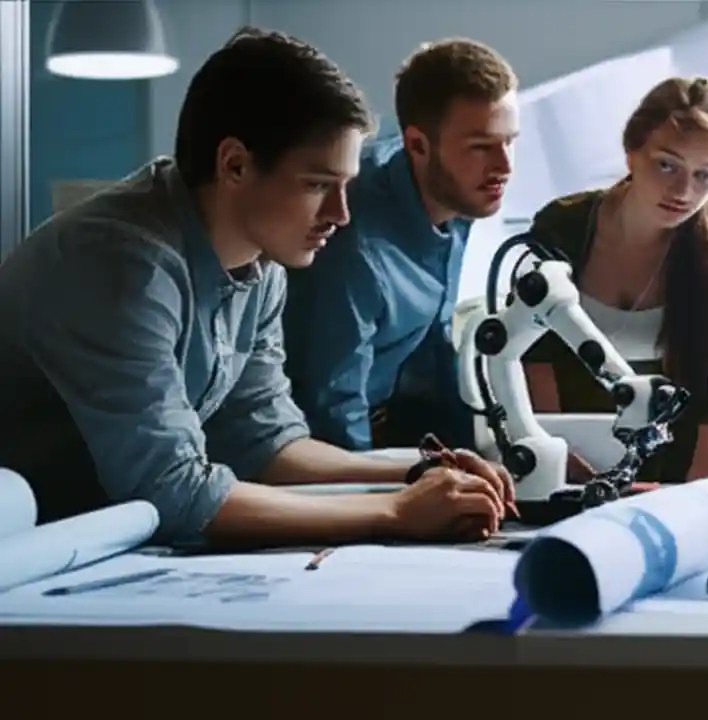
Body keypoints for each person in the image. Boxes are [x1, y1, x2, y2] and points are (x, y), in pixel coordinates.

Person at [0, 27, 514, 548]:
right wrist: (394, 511)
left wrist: (422, 470)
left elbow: (268, 445)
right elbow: (174, 493)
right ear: (235, 164)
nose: (340, 214)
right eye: (317, 185)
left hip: (86, 540)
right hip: (23, 550)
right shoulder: (124, 266)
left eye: (345, 186)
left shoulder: (262, 270)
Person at [282, 37, 519, 452]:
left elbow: (436, 349)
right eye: (481, 147)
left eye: (510, 141)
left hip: (401, 415)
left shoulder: (458, 192)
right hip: (318, 441)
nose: (504, 166)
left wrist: (503, 449)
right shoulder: (354, 245)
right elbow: (333, 407)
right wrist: (377, 490)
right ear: (418, 145)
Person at [522, 76, 708, 484]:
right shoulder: (563, 227)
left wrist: (690, 496)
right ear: (632, 152)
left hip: (667, 474)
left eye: (704, 175)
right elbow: (534, 358)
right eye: (667, 165)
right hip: (568, 462)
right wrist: (560, 463)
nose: (683, 191)